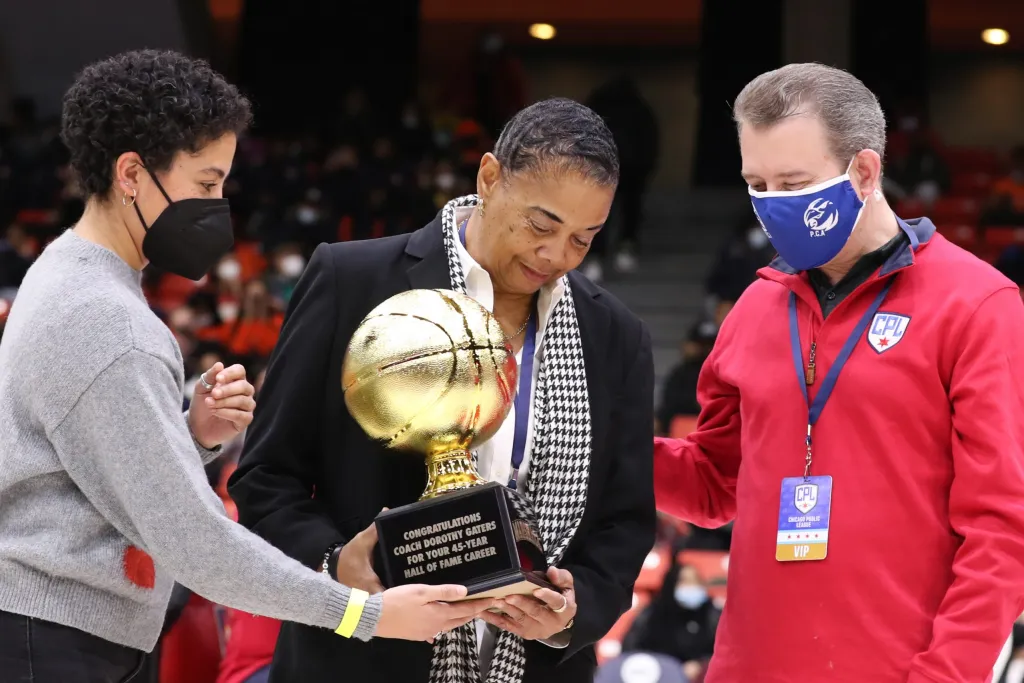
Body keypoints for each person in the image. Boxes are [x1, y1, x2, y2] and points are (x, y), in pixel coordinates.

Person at [0, 49, 489, 683]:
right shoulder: (111, 322)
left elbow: (79, 470)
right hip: (59, 642)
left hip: (49, 628)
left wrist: (189, 433)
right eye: (206, 183)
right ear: (130, 174)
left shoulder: (61, 272)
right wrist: (363, 614)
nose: (219, 202)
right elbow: (196, 544)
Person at [229, 97, 656, 683]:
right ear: (489, 177)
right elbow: (265, 476)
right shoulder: (351, 280)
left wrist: (571, 611)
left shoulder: (614, 334)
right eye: (541, 225)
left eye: (584, 239)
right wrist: (333, 566)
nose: (556, 255)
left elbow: (624, 522)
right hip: (361, 658)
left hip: (534, 668)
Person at [652, 63, 1024, 683]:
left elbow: (1003, 526)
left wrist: (948, 674)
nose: (772, 205)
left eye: (794, 183)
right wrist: (599, 450)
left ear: (865, 171)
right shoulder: (753, 306)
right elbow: (717, 484)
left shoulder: (978, 303)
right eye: (757, 183)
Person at [622, 562, 720, 681]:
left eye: (696, 581)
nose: (692, 586)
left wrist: (701, 665)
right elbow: (631, 649)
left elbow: (722, 652)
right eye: (685, 581)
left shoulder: (711, 615)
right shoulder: (653, 615)